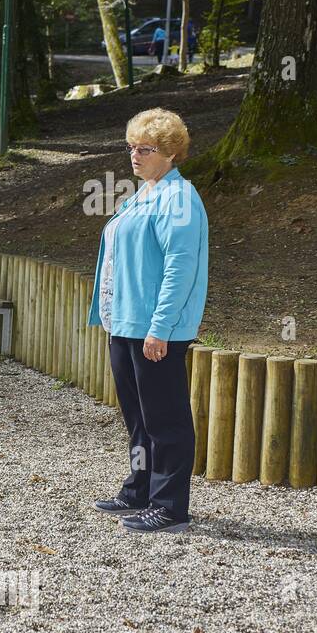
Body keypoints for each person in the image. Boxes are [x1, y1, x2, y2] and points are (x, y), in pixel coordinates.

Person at [88, 108, 208, 535]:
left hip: (155, 328)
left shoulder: (179, 198)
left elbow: (181, 266)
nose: (134, 155)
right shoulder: (141, 194)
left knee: (165, 418)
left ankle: (170, 506)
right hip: (124, 322)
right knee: (138, 416)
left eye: (146, 149)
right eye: (131, 147)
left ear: (171, 153)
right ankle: (139, 488)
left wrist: (160, 327)